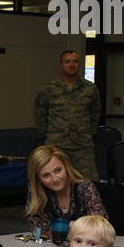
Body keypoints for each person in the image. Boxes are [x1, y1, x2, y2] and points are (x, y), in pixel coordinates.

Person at [33, 50, 100, 181]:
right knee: (56, 180)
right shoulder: (49, 88)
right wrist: (49, 132)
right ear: (61, 65)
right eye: (67, 61)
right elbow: (40, 111)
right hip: (57, 145)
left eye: (75, 61)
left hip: (82, 146)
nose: (71, 64)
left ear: (79, 64)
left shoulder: (90, 88)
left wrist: (89, 132)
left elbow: (95, 112)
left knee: (87, 182)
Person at [24, 144, 108, 240]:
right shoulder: (37, 192)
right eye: (46, 175)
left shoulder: (85, 187)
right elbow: (38, 232)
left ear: (66, 166)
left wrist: (70, 227)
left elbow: (101, 225)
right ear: (38, 179)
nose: (55, 179)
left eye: (58, 170)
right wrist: (78, 227)